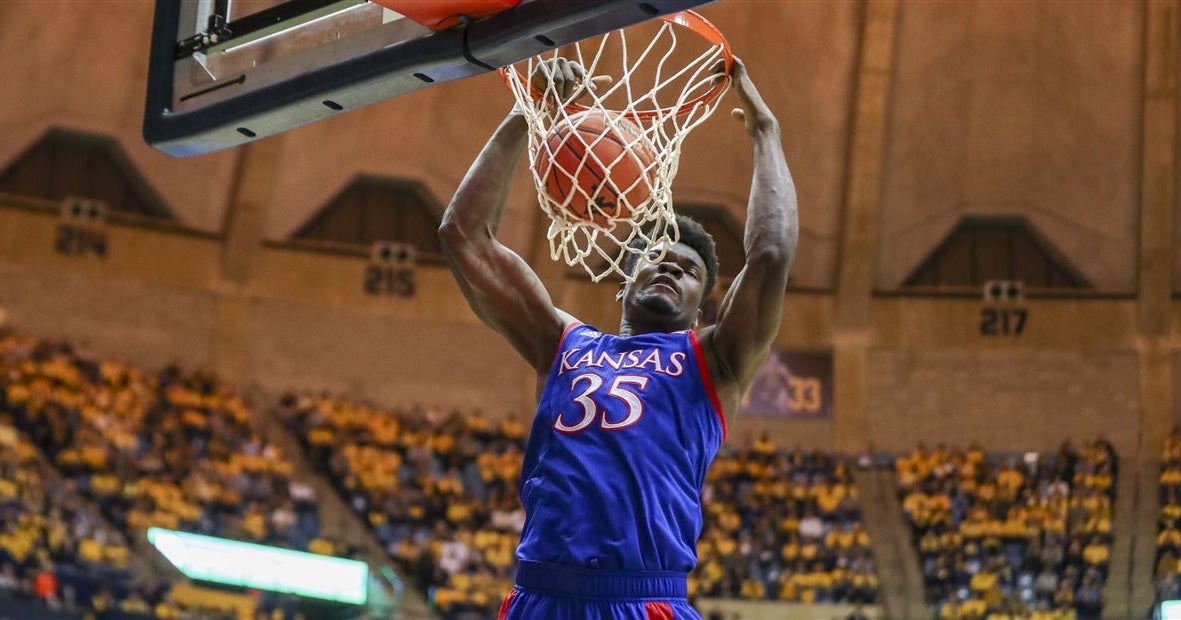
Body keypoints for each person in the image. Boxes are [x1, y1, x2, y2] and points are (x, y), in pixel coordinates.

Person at [439, 54, 797, 619]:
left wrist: (766, 134)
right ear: (623, 282)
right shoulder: (562, 343)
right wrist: (527, 114)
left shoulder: (713, 359)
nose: (671, 267)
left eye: (689, 269)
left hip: (644, 599)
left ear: (704, 309)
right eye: (657, 256)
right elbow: (465, 237)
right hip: (541, 597)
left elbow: (772, 254)